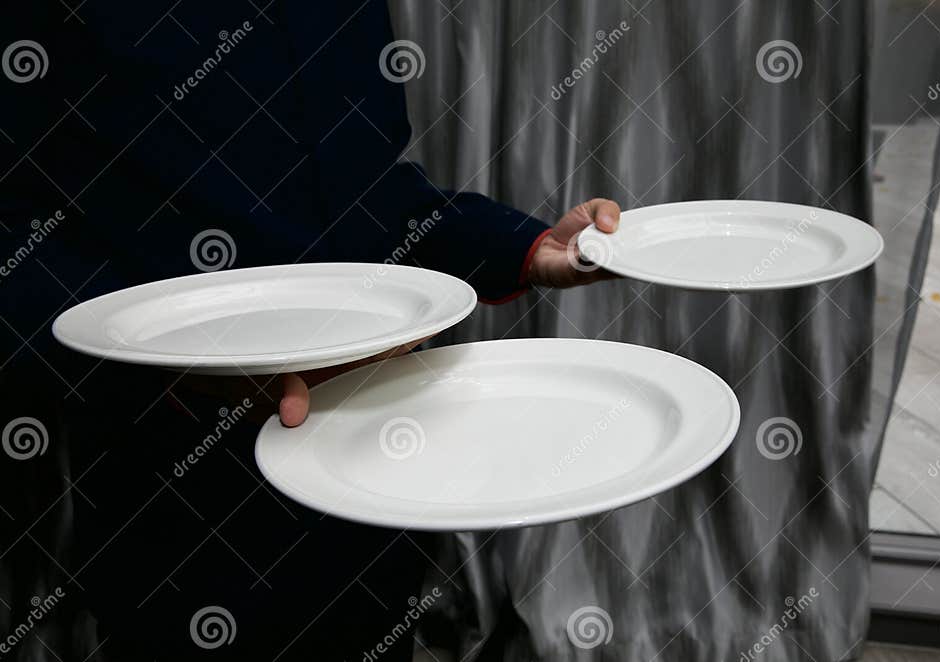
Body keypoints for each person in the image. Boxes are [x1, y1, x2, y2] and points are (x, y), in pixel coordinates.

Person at [0, 1, 619, 659]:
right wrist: (175, 364)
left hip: (378, 469)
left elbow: (376, 199)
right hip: (181, 490)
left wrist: (525, 246)